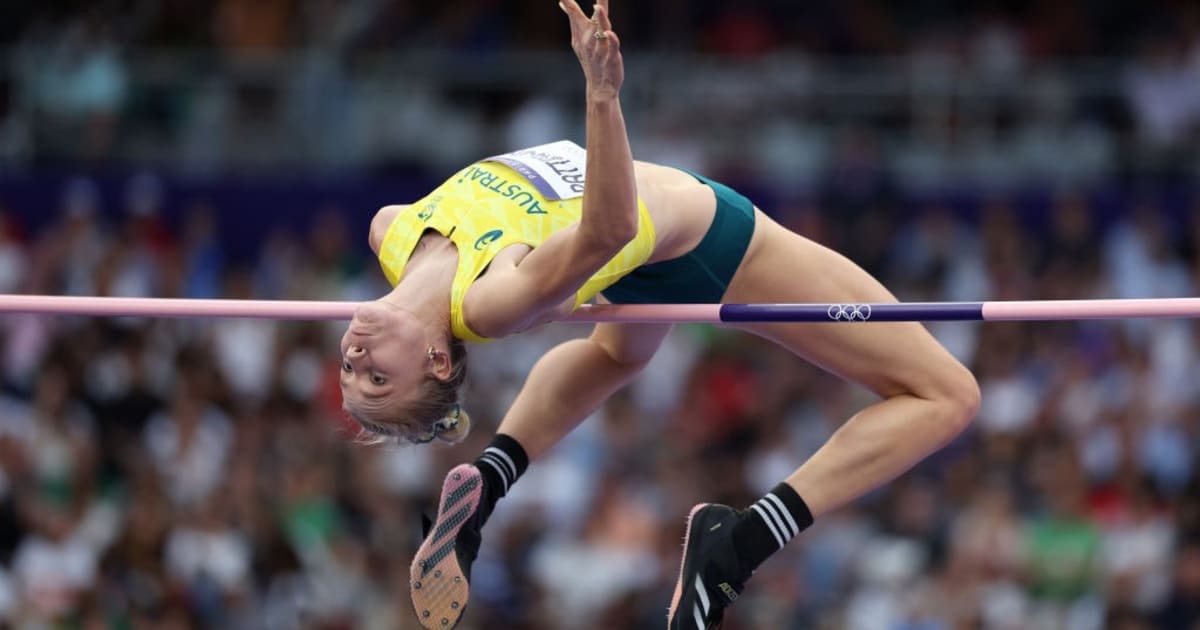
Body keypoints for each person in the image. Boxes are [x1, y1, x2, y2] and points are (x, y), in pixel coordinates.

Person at [338, 1, 980, 628]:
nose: (356, 359)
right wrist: (601, 94)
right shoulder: (489, 301)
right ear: (437, 359)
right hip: (707, 242)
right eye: (379, 379)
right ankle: (739, 546)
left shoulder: (390, 232)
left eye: (351, 371)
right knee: (947, 396)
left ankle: (488, 482)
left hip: (645, 254)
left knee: (615, 353)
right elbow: (609, 228)